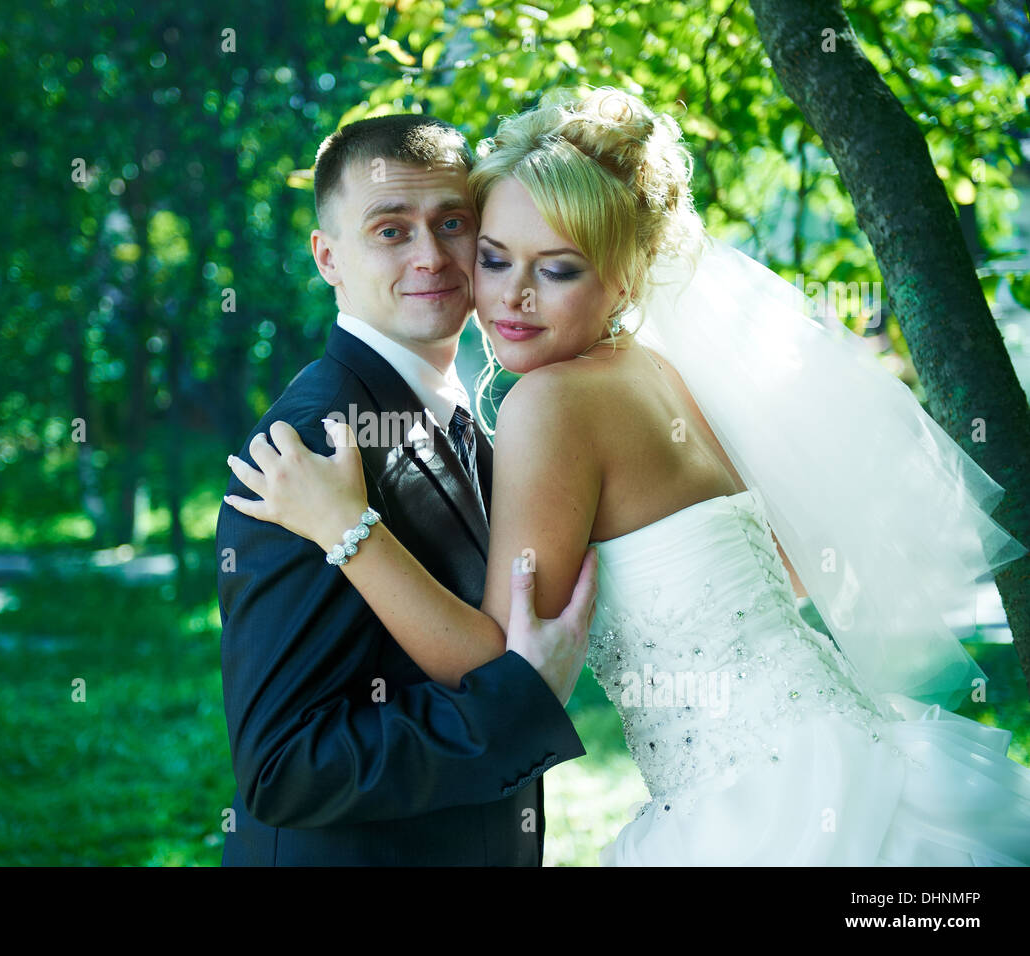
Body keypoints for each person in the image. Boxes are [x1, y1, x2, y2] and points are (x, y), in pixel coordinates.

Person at [226, 86, 1030, 865]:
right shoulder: (666, 376)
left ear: (624, 277)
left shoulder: (550, 402)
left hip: (754, 807)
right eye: (498, 258)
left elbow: (491, 656)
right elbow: (778, 567)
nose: (512, 296)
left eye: (560, 270)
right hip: (846, 750)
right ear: (329, 256)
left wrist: (347, 530)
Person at [215, 114, 598, 867]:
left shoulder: (483, 413)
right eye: (390, 230)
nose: (431, 256)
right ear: (329, 257)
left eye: (451, 222)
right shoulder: (314, 445)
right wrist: (515, 704)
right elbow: (284, 767)